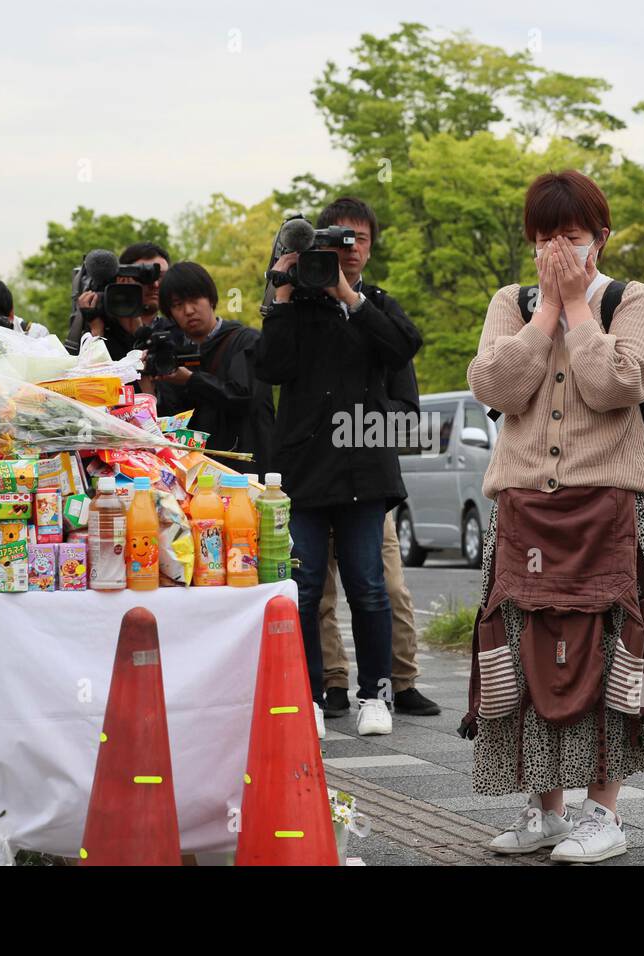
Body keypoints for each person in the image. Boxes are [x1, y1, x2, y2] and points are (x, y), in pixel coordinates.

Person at [465, 170, 644, 864]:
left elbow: (618, 383)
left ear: (601, 239)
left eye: (573, 237)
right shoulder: (512, 302)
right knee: (527, 652)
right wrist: (545, 316)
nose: (558, 251)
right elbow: (495, 385)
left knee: (615, 651)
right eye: (545, 238)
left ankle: (605, 813)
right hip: (527, 510)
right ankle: (545, 810)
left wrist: (581, 310)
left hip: (611, 510)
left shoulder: (635, 299)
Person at [254, 196, 422, 739]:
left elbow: (401, 349)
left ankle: (375, 694)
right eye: (335, 241)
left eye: (359, 240)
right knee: (301, 589)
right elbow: (271, 367)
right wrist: (280, 291)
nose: (346, 251)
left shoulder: (375, 303)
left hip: (362, 474)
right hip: (303, 472)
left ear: (370, 249)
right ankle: (305, 695)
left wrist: (349, 297)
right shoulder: (293, 309)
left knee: (368, 585)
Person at [318, 357, 440, 720]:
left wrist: (356, 419)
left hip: (369, 484)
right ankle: (333, 682)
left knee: (389, 588)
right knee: (318, 591)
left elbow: (407, 414)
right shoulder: (301, 326)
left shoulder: (382, 331)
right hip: (315, 481)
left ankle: (400, 683)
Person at [151, 261, 274, 474]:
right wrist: (150, 378)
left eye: (194, 299)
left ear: (211, 299)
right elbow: (171, 422)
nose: (188, 311)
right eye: (178, 305)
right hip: (199, 476)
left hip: (249, 472)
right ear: (170, 314)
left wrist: (191, 380)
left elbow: (244, 397)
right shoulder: (174, 357)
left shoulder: (246, 341)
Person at [76, 241, 170, 363]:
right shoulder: (99, 329)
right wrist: (96, 332)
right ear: (122, 279)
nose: (155, 284)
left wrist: (139, 333)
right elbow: (88, 378)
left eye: (161, 276)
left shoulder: (176, 331)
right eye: (145, 276)